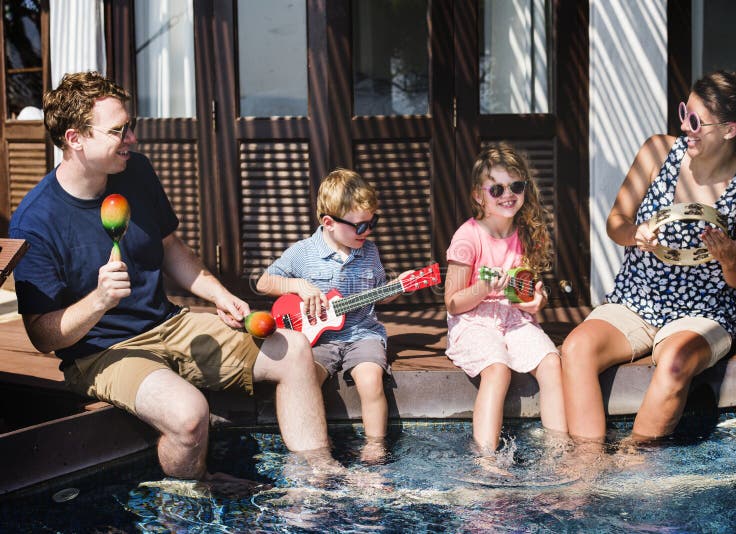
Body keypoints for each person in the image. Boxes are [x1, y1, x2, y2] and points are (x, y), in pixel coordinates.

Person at [9, 71, 332, 487]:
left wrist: (219, 294)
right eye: (118, 131)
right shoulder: (34, 222)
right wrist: (98, 301)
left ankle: (320, 484)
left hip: (168, 324)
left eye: (131, 126)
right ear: (76, 139)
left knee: (293, 349)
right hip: (102, 352)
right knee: (188, 414)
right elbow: (43, 336)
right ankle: (195, 493)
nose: (132, 139)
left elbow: (170, 248)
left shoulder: (136, 172)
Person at [561, 70, 736, 443]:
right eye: (684, 112)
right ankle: (588, 473)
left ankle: (634, 464)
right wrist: (633, 234)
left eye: (696, 120)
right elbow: (615, 222)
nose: (684, 125)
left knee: (675, 361)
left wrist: (728, 259)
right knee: (575, 348)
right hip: (635, 301)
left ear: (730, 130)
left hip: (705, 310)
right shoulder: (657, 150)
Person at [256, 169, 408, 462]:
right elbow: (265, 282)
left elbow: (380, 293)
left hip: (361, 332)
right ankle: (316, 446)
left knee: (371, 380)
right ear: (328, 222)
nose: (368, 232)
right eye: (360, 226)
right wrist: (297, 285)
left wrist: (400, 286)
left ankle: (375, 447)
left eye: (372, 223)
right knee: (303, 380)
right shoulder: (303, 252)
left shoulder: (369, 252)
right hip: (317, 340)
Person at [443, 142, 567, 466]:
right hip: (473, 320)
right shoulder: (467, 237)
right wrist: (483, 288)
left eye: (516, 186)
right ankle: (486, 459)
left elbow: (526, 291)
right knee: (497, 370)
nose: (507, 194)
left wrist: (535, 301)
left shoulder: (525, 232)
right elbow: (453, 303)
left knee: (552, 362)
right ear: (478, 195)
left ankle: (559, 453)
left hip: (513, 318)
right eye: (496, 188)